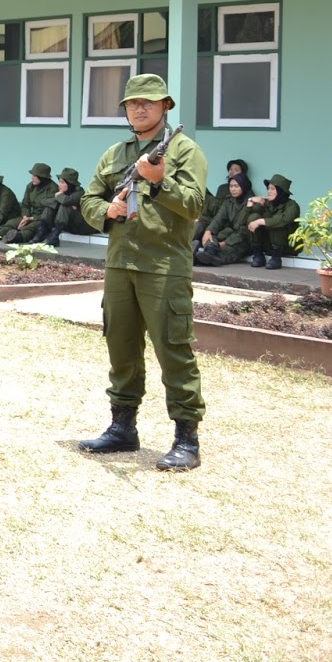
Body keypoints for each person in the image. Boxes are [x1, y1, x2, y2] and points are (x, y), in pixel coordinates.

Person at [78, 73, 208, 472]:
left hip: (163, 266)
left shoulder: (185, 151)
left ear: (165, 106)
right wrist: (108, 210)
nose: (139, 108)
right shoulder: (115, 153)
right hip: (120, 263)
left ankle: (186, 440)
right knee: (121, 347)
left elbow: (195, 205)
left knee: (173, 349)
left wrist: (160, 181)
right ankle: (122, 427)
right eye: (132, 103)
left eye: (148, 102)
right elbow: (88, 198)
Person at [194, 173, 254, 267]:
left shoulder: (251, 203)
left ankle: (199, 259)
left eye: (236, 186)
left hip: (241, 241)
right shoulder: (229, 200)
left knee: (226, 252)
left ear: (244, 186)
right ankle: (209, 252)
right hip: (228, 234)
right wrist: (208, 231)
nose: (233, 189)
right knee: (211, 236)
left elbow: (243, 231)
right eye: (231, 186)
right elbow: (218, 219)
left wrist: (225, 242)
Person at [25, 167, 94, 247]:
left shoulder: (79, 192)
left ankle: (55, 235)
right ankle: (42, 231)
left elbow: (66, 201)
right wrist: (59, 198)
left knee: (65, 206)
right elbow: (44, 202)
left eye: (62, 182)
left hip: (82, 227)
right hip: (69, 226)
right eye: (59, 182)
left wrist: (58, 197)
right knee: (51, 206)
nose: (59, 185)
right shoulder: (63, 193)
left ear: (69, 183)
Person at [195, 158, 252, 250]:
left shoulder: (249, 195)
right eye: (230, 169)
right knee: (200, 224)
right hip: (218, 219)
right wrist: (208, 229)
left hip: (233, 228)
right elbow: (219, 215)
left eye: (236, 170)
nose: (232, 172)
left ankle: (209, 250)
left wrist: (224, 243)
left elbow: (241, 226)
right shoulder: (222, 189)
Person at [247, 174, 300, 270]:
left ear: (281, 191)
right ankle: (258, 254)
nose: (269, 192)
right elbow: (247, 217)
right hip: (268, 244)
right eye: (268, 188)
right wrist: (250, 201)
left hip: (287, 246)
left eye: (272, 189)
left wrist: (261, 221)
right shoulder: (267, 203)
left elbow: (283, 220)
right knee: (253, 217)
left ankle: (276, 258)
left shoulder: (292, 206)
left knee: (276, 223)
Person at [1, 163, 56, 244]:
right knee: (12, 223)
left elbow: (50, 211)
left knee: (31, 227)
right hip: (30, 216)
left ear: (42, 177)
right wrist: (25, 217)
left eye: (35, 176)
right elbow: (25, 204)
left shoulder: (53, 189)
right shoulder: (30, 186)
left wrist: (32, 218)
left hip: (43, 219)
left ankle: (17, 237)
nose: (32, 178)